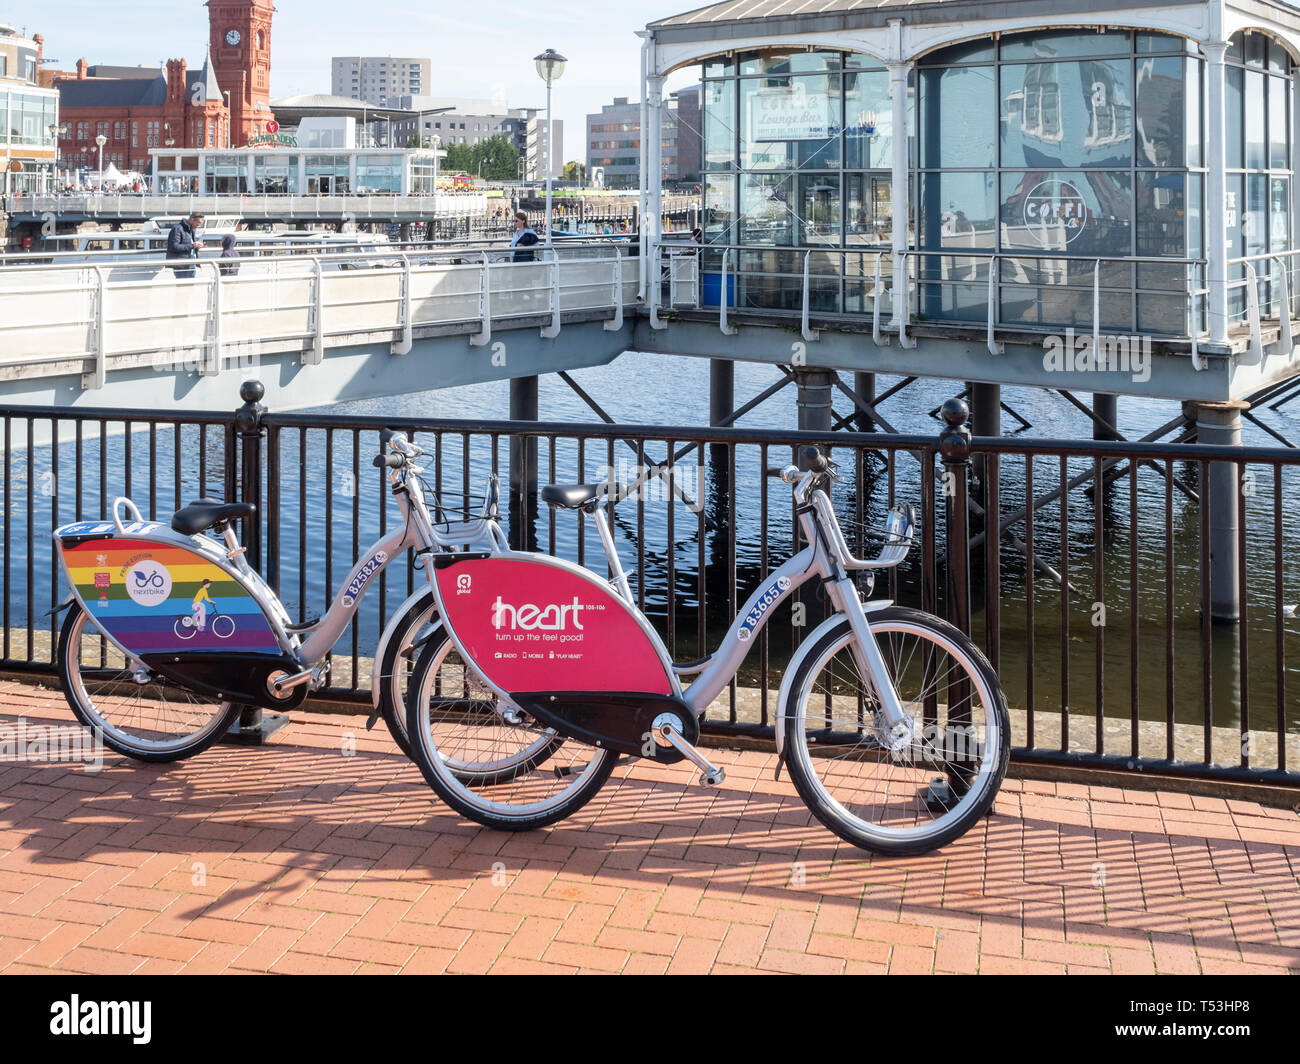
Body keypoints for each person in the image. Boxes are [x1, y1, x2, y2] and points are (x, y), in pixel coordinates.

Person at [166, 213, 205, 279]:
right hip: (182, 265)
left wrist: (197, 247)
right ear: (192, 220)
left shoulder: (191, 229)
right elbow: (174, 247)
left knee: (189, 287)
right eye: (198, 223)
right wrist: (193, 245)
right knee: (183, 287)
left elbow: (190, 246)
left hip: (191, 264)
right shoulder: (177, 228)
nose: (198, 226)